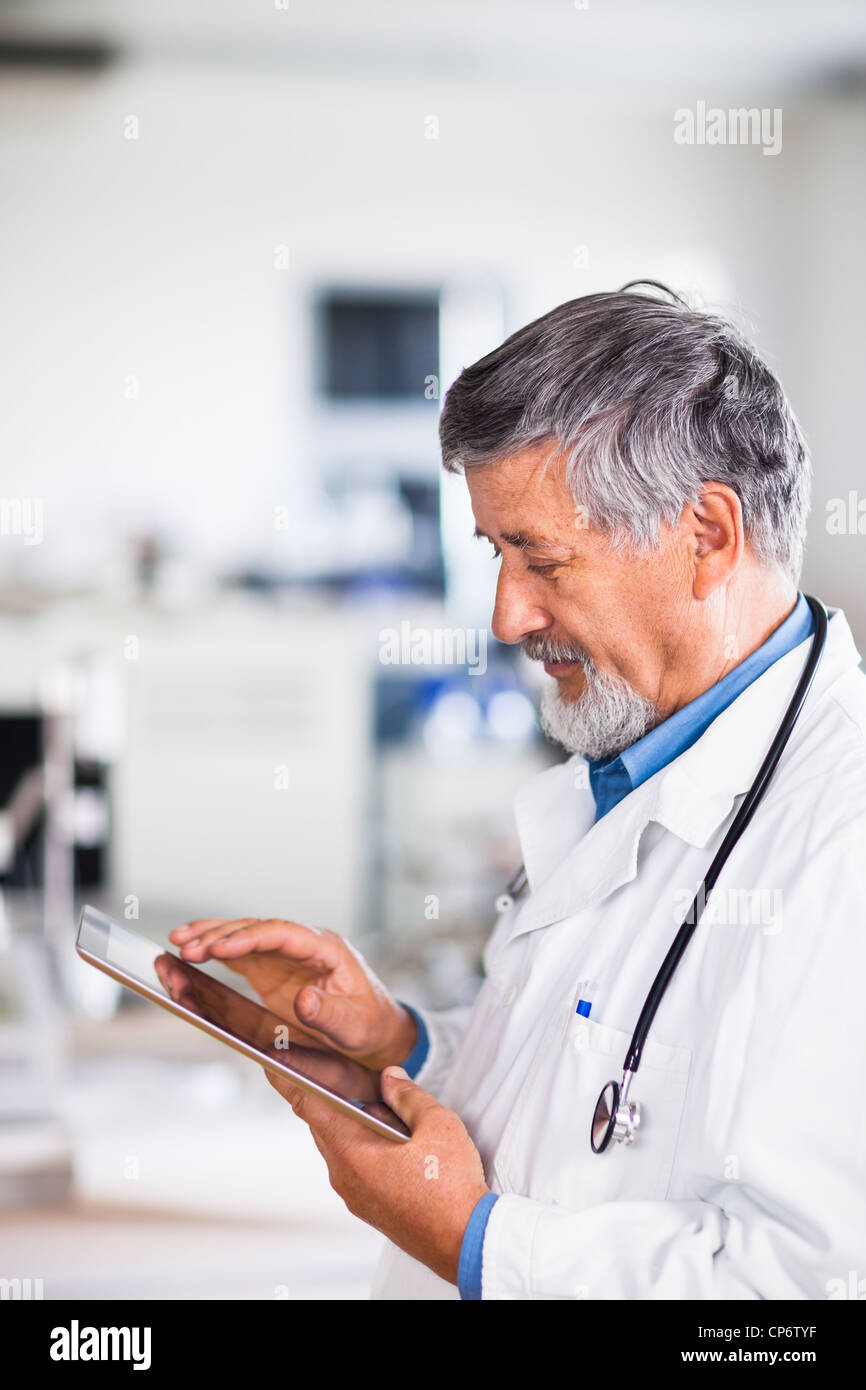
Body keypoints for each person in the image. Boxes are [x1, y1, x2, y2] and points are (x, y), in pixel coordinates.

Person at [170, 286, 866, 1299]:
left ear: (707, 535)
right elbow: (586, 1091)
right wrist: (398, 1046)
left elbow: (800, 1296)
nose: (506, 616)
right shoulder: (638, 755)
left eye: (541, 558)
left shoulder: (837, 841)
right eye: (493, 553)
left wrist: (479, 1244)